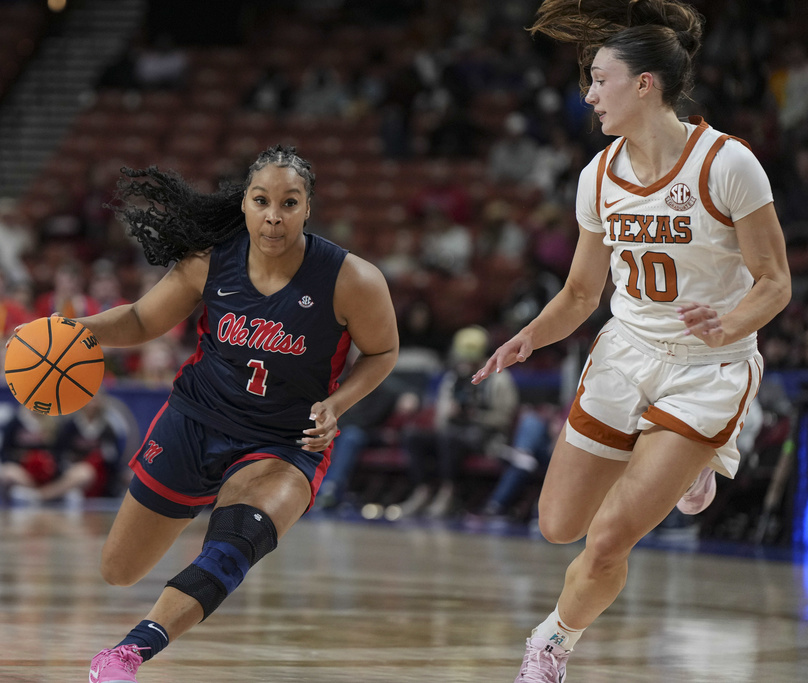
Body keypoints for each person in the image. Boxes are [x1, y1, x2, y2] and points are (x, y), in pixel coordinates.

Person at [470, 2, 792, 680]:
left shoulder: (729, 164)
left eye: (599, 80)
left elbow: (775, 283)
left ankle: (553, 643)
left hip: (710, 364)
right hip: (626, 355)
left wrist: (730, 326)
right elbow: (582, 294)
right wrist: (526, 338)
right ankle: (683, 460)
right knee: (559, 524)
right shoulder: (599, 175)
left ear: (645, 84)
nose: (588, 95)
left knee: (610, 537)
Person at [50, 145, 399, 681]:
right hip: (196, 422)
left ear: (308, 207)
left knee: (238, 542)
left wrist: (337, 403)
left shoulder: (352, 279)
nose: (274, 217)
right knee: (119, 570)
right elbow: (143, 321)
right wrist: (80, 330)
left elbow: (382, 352)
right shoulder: (212, 259)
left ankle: (127, 653)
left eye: (289, 202)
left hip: (284, 443)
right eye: (261, 201)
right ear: (244, 204)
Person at [395, 325, 518, 519]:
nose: (466, 363)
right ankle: (422, 490)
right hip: (453, 431)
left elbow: (504, 418)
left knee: (449, 438)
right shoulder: (454, 377)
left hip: (486, 435)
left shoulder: (499, 378)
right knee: (413, 436)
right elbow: (441, 415)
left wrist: (474, 415)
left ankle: (448, 492)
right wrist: (450, 412)